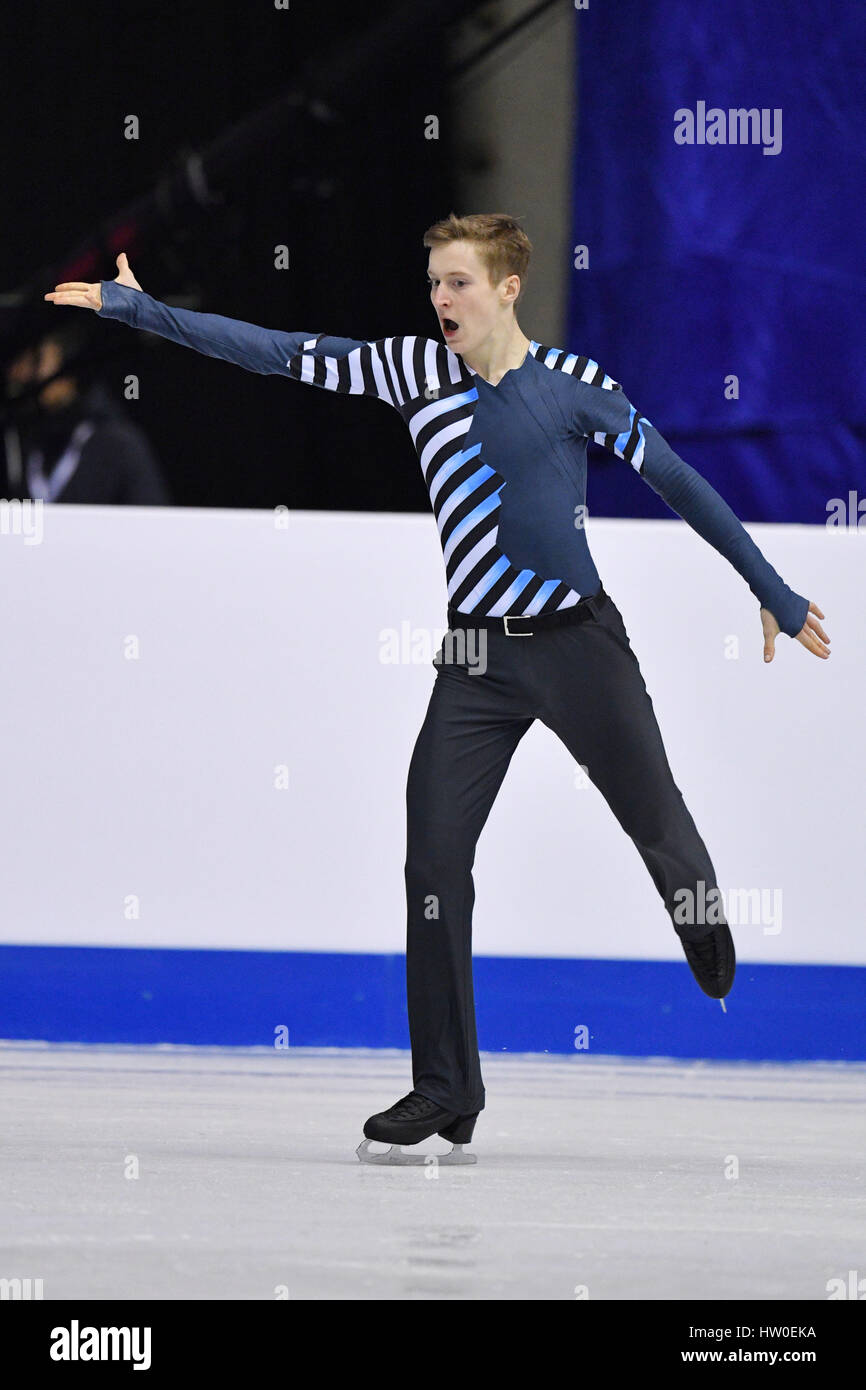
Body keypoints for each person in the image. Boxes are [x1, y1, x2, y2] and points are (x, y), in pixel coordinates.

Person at [45, 216, 830, 1165]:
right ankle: (447, 1086)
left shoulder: (577, 388)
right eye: (433, 285)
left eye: (458, 283)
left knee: (656, 818)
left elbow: (682, 482)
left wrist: (773, 591)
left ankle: (696, 904)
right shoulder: (413, 372)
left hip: (580, 644)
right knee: (432, 864)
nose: (440, 301)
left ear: (507, 288)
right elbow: (276, 353)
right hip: (475, 661)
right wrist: (142, 311)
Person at [3, 323, 170, 505]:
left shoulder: (118, 444)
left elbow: (152, 525)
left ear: (70, 369)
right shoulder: (21, 440)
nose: (21, 374)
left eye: (36, 361)